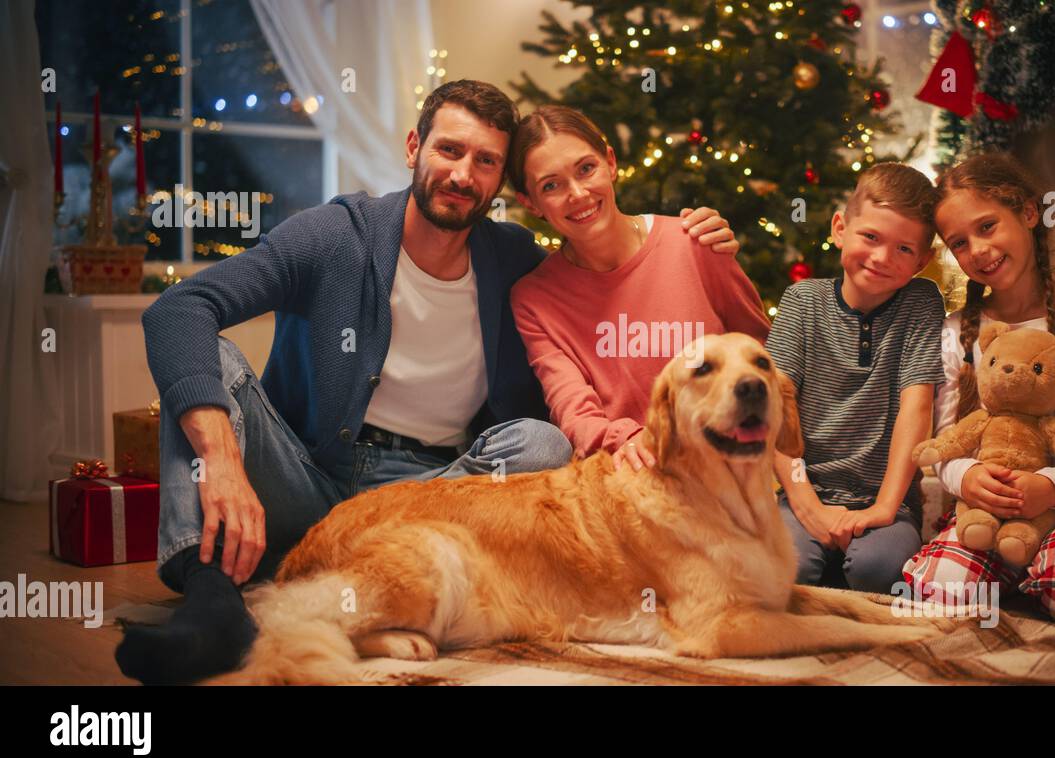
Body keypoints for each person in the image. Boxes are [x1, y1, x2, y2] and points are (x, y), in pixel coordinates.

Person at [115, 80, 738, 684]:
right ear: (415, 148)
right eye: (450, 150)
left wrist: (686, 237)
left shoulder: (516, 261)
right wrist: (222, 463)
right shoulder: (336, 237)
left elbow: (600, 280)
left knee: (538, 444)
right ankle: (211, 599)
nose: (464, 174)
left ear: (503, 185)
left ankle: (419, 596)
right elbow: (177, 310)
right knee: (208, 363)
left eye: (486, 161)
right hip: (306, 476)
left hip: (432, 499)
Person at [901, 152, 1055, 622]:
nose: (979, 250)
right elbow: (949, 443)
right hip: (986, 508)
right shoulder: (955, 332)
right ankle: (1018, 567)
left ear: (1028, 213)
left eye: (987, 227)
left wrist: (1052, 488)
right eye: (960, 243)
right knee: (944, 595)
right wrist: (967, 477)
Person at [508, 105, 769, 468]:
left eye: (586, 168)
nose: (579, 193)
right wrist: (630, 440)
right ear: (529, 202)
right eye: (551, 185)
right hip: (631, 471)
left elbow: (762, 346)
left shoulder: (695, 241)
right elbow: (573, 411)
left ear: (610, 162)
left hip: (730, 458)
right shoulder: (535, 299)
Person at [766, 162, 947, 593]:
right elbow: (776, 411)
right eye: (871, 237)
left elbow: (916, 408)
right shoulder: (801, 300)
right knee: (785, 571)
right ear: (840, 228)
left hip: (886, 504)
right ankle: (816, 556)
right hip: (801, 493)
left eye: (904, 250)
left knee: (879, 571)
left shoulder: (921, 304)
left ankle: (845, 563)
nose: (883, 257)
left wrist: (885, 508)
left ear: (923, 261)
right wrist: (808, 507)